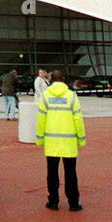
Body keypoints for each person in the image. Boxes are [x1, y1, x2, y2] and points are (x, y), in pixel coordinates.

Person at [37, 69, 86, 211]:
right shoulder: (72, 96)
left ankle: (53, 202)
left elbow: (41, 119)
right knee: (71, 174)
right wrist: (81, 139)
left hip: (51, 142)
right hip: (69, 142)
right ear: (63, 79)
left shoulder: (45, 96)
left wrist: (40, 139)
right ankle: (73, 203)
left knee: (52, 173)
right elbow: (78, 119)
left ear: (51, 79)